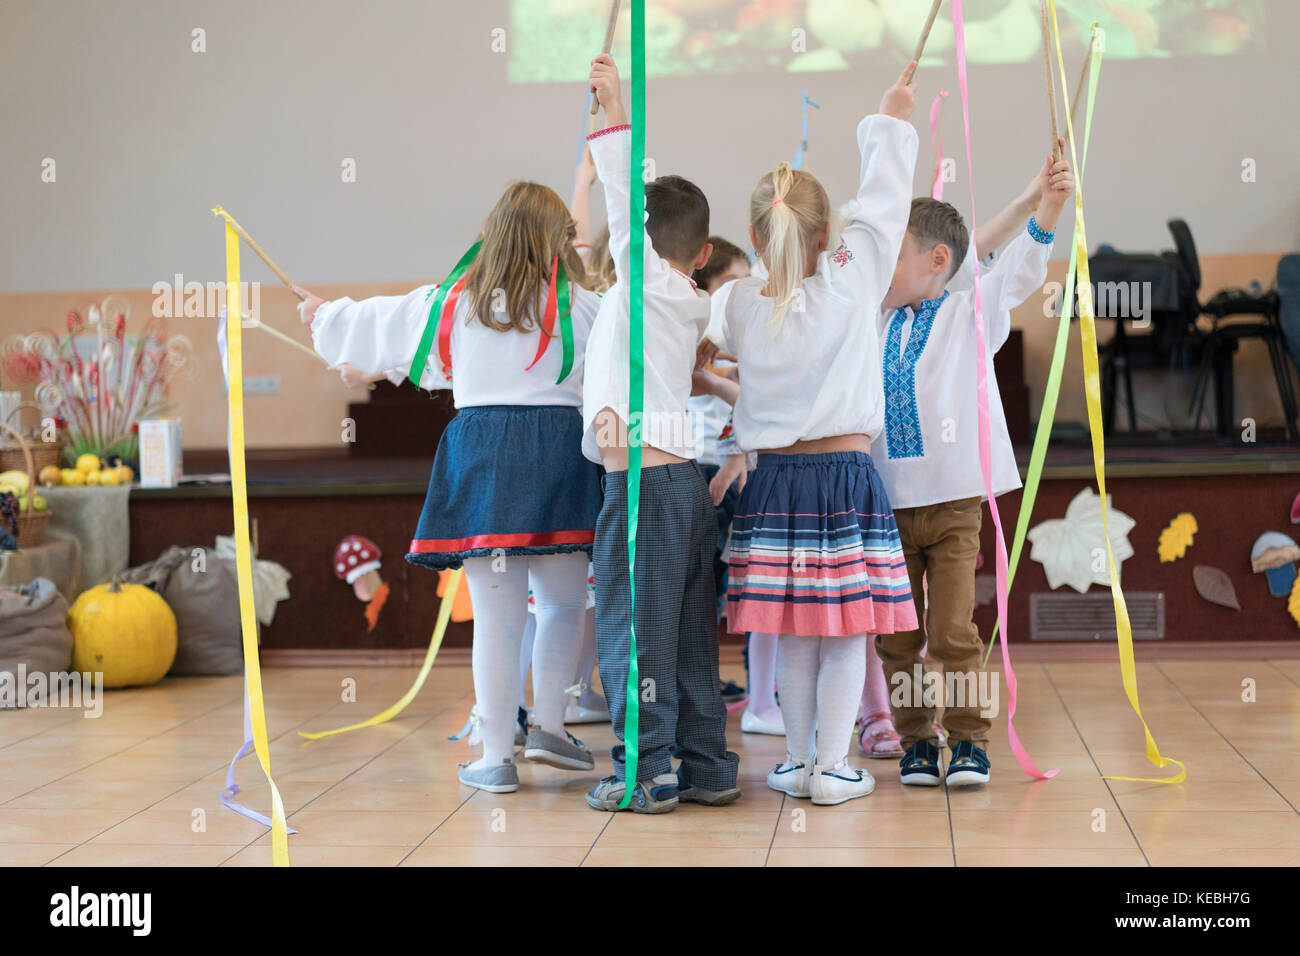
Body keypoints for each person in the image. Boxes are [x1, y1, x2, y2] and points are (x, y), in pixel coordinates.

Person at [296, 181, 601, 795]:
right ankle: (547, 724)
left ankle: (495, 757)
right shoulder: (583, 307)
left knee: (496, 616)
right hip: (559, 455)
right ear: (555, 243)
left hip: (485, 455)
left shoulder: (454, 303)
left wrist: (322, 315)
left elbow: (376, 320)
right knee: (565, 600)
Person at [704, 63, 921, 806]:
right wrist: (890, 118)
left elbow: (699, 343)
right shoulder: (853, 278)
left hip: (774, 486)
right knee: (845, 631)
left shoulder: (735, 302)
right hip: (842, 482)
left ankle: (798, 762)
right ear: (829, 236)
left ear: (756, 239)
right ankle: (833, 766)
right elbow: (885, 205)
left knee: (793, 630)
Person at [873, 146, 1074, 787]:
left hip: (955, 501)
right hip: (886, 505)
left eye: (895, 257)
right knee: (898, 638)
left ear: (935, 263)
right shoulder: (874, 319)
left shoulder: (969, 312)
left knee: (954, 630)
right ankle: (914, 740)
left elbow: (1014, 270)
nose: (884, 269)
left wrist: (1046, 206)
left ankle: (968, 741)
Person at [581, 53, 739, 814]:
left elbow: (622, 206)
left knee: (633, 631)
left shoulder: (640, 279)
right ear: (703, 255)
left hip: (642, 486)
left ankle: (646, 771)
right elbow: (626, 215)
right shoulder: (682, 297)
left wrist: (612, 113)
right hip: (680, 482)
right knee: (686, 636)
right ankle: (706, 764)